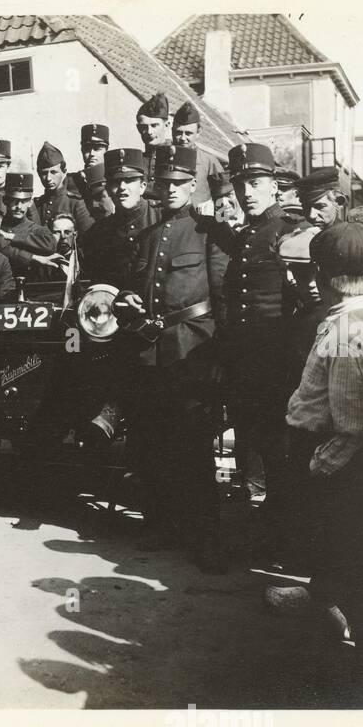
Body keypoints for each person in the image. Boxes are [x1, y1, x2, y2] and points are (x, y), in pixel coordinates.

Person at [268, 221, 363, 680]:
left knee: (342, 544)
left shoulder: (347, 331)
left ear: (325, 275)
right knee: (335, 546)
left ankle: (358, 645)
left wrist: (318, 466)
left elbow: (353, 422)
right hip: (335, 457)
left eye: (309, 270)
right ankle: (326, 600)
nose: (302, 278)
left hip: (334, 460)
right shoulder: (361, 316)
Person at [207, 141, 319, 563]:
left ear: (274, 186)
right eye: (242, 185)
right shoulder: (248, 236)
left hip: (276, 364)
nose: (247, 193)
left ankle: (289, 539)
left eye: (256, 183)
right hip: (245, 362)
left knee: (280, 453)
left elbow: (305, 303)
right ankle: (273, 531)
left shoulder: (290, 231)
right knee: (258, 448)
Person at [122, 145, 224, 571]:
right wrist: (128, 299)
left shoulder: (208, 233)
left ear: (191, 185)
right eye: (163, 185)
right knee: (153, 441)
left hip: (194, 348)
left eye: (178, 184)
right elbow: (136, 287)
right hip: (151, 351)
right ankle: (161, 523)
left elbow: (221, 297)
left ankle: (205, 535)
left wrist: (218, 354)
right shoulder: (147, 237)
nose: (169, 191)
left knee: (194, 445)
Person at [83, 147, 160, 287]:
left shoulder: (161, 218)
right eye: (115, 182)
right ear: (108, 189)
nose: (122, 187)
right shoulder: (99, 232)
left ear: (142, 186)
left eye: (129, 180)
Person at [0, 171, 61, 285]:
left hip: (30, 287)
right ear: (6, 200)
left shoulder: (37, 229)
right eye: (14, 200)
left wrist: (12, 237)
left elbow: (50, 244)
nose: (19, 207)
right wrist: (34, 257)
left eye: (23, 201)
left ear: (30, 202)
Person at [171, 101, 223, 209]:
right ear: (172, 131)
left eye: (188, 133)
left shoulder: (209, 161)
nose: (183, 138)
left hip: (201, 221)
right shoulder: (164, 157)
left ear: (198, 133)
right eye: (178, 133)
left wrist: (223, 222)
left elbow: (222, 195)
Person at [34, 141, 94, 233]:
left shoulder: (76, 203)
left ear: (64, 171)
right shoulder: (38, 204)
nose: (48, 178)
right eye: (44, 173)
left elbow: (88, 236)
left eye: (53, 172)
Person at [136, 92, 172, 186]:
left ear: (167, 125)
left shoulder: (179, 157)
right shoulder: (136, 161)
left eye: (154, 125)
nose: (149, 132)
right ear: (138, 128)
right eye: (144, 127)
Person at [67, 122, 110, 197]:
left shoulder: (113, 181)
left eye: (97, 149)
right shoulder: (70, 182)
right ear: (82, 150)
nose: (92, 153)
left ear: (106, 151)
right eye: (87, 149)